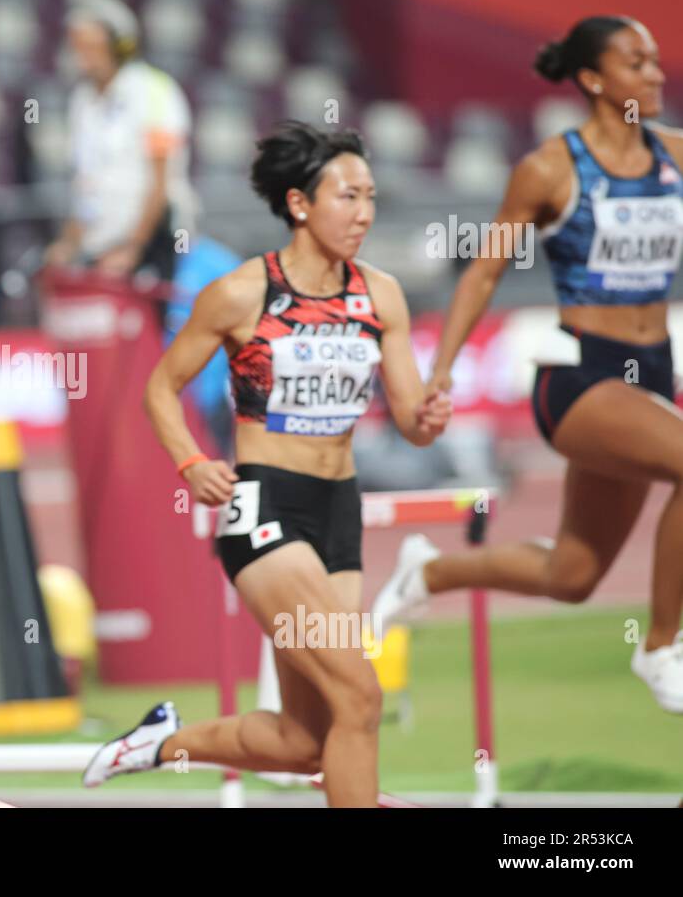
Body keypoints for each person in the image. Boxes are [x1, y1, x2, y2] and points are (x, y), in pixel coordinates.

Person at [82, 122, 452, 806]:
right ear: (301, 204)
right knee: (360, 694)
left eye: (370, 196)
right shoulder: (240, 294)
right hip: (266, 512)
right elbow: (160, 387)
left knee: (306, 738)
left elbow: (410, 419)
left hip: (339, 514)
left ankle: (158, 743)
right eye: (347, 196)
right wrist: (191, 460)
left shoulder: (382, 296)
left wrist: (426, 421)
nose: (364, 212)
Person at [371, 16, 683, 713]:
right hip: (579, 376)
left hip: (653, 374)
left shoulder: (675, 157)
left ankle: (430, 572)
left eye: (658, 62)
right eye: (638, 64)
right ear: (596, 81)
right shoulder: (550, 168)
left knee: (572, 574)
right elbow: (484, 272)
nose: (656, 75)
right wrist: (441, 369)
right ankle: (661, 645)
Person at [43, 0, 198, 298]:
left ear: (121, 46)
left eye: (91, 46)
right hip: (100, 248)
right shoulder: (82, 101)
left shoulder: (154, 90)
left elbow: (162, 182)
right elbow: (85, 182)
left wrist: (133, 248)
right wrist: (69, 242)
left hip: (151, 242)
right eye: (77, 46)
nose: (81, 56)